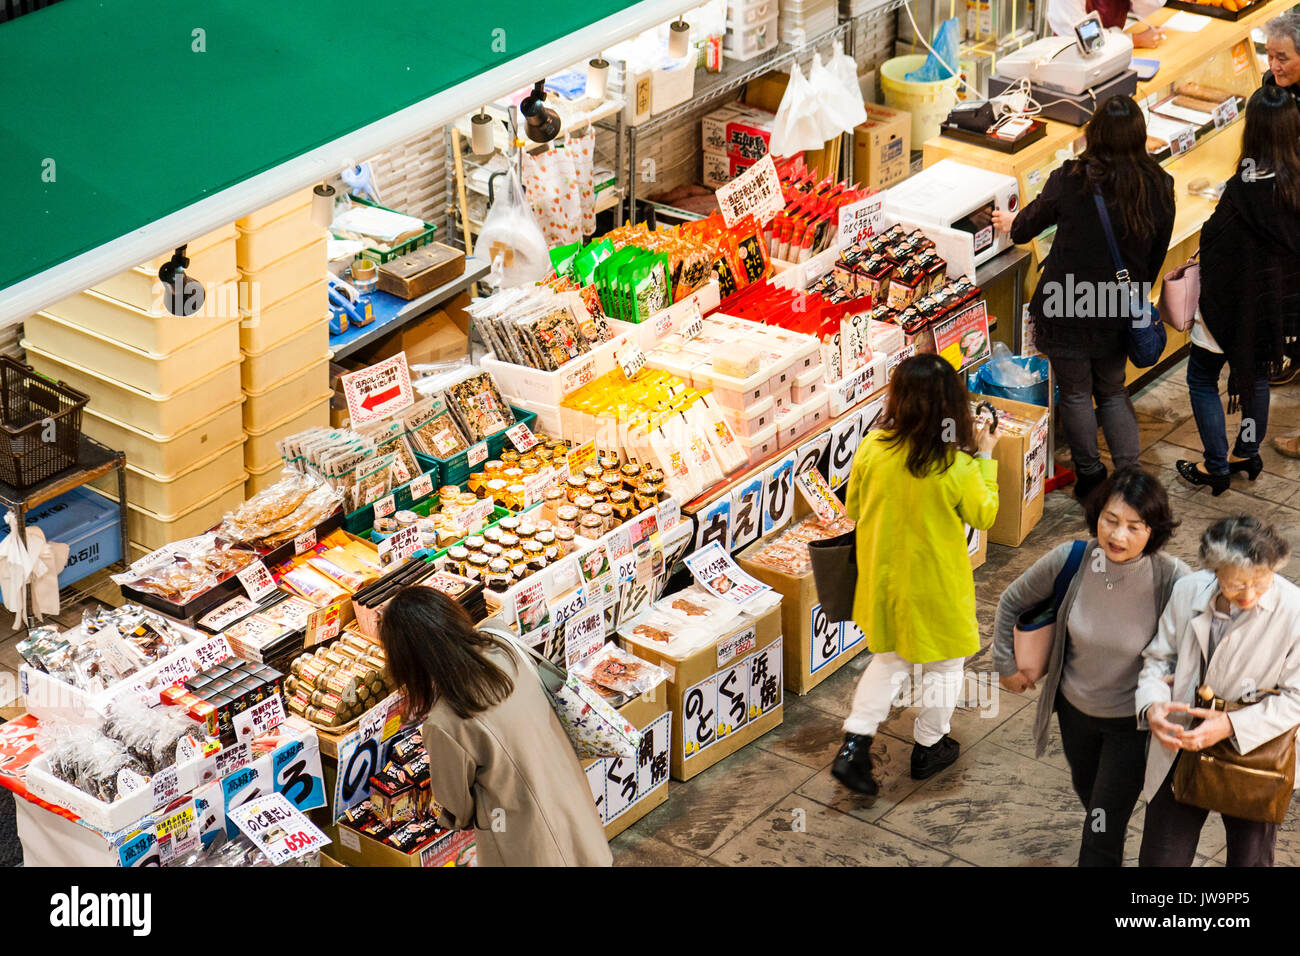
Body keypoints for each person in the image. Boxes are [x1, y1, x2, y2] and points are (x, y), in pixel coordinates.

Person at [993, 467, 1188, 866]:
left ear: (1155, 530)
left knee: (1102, 827)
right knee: (1092, 800)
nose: (1118, 536)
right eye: (1110, 520)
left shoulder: (1172, 579)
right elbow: (1010, 601)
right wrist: (1005, 664)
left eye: (1135, 526)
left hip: (1132, 726)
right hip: (1075, 714)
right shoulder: (1072, 560)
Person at [830, 354, 1000, 795]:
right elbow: (984, 515)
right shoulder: (955, 465)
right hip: (937, 585)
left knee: (889, 660)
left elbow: (852, 508)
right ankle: (929, 745)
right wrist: (986, 457)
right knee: (945, 665)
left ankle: (854, 745)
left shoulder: (872, 448)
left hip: (883, 581)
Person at [992, 95, 1174, 504]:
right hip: (1115, 305)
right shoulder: (1159, 184)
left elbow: (1024, 229)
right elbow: (1156, 253)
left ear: (1095, 134)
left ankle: (1090, 475)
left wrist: (1009, 222)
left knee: (1075, 392)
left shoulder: (1072, 178)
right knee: (1112, 388)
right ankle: (1130, 476)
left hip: (1065, 303)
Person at [378, 585, 613, 867]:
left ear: (408, 659)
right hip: (575, 811)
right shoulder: (504, 646)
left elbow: (457, 807)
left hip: (526, 845)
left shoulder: (445, 721)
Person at [1137, 517, 1300, 867]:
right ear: (1214, 571)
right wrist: (1151, 706)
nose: (1249, 595)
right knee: (1161, 859)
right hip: (1181, 743)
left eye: (1260, 582)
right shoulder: (1187, 591)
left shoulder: (1294, 611)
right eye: (1237, 585)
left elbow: (1297, 697)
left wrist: (1229, 725)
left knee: (1250, 861)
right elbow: (1158, 660)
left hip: (1257, 755)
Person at [1175, 85, 1300, 489]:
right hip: (1271, 306)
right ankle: (1246, 452)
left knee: (1201, 378)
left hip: (1227, 304)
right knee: (1258, 376)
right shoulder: (1295, 182)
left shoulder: (1244, 185)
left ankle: (1216, 465)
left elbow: (1213, 238)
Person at [1047, 0, 1165, 48]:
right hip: (1073, 60)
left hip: (1113, 55)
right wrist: (1136, 40)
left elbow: (1151, 6)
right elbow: (1089, 40)